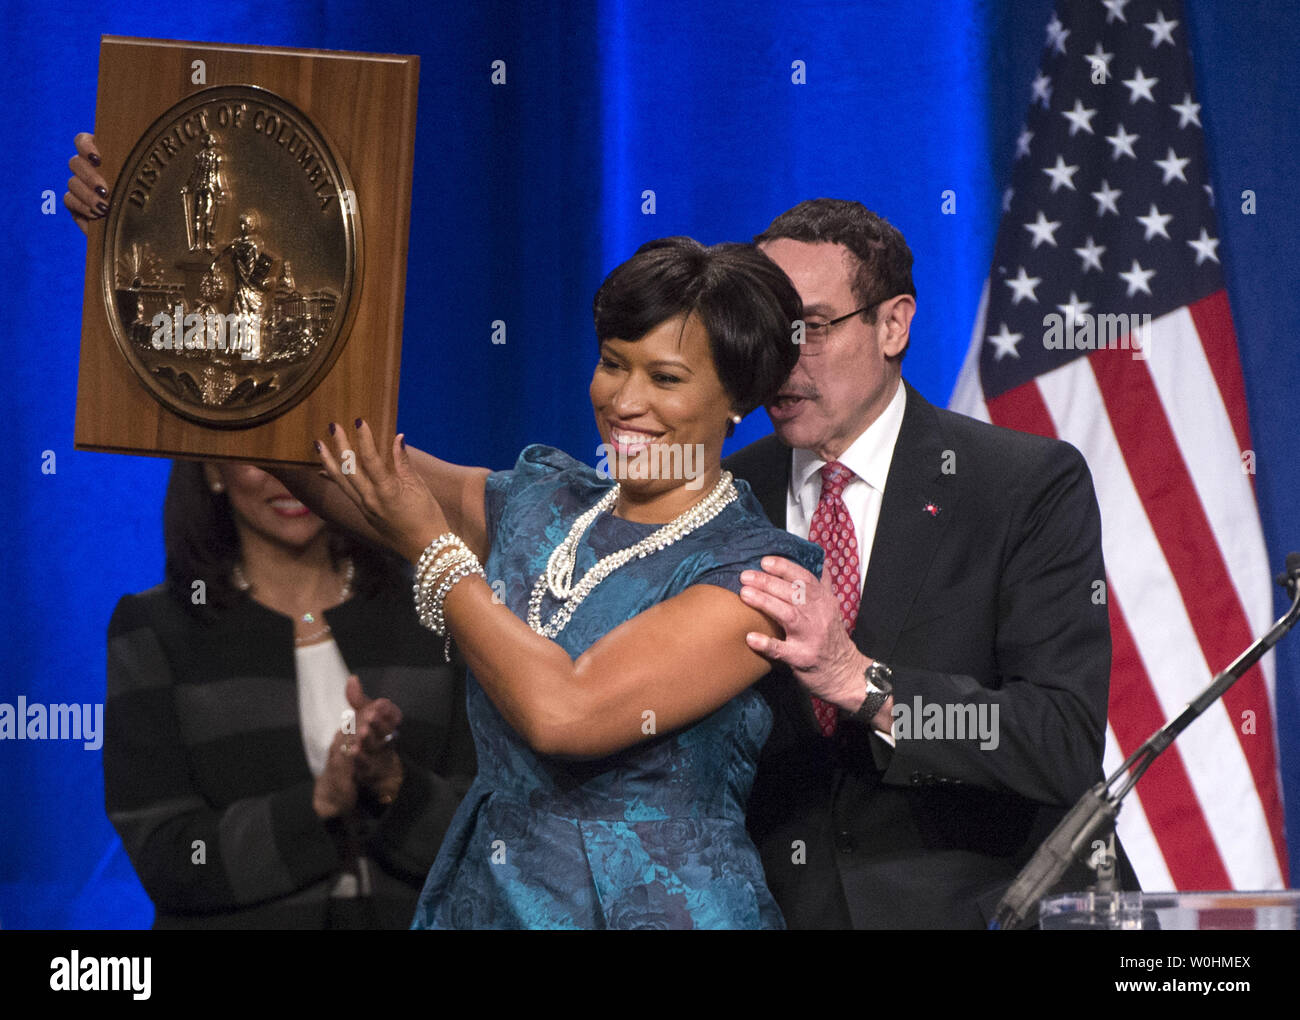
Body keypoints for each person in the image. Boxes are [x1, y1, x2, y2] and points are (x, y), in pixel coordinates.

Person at [289, 237, 823, 928]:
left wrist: (433, 548)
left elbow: (565, 713)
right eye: (611, 364)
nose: (625, 400)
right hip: (491, 900)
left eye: (664, 378)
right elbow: (313, 452)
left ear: (737, 398)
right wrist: (147, 270)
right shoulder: (539, 502)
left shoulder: (758, 572)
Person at [728, 198, 1136, 928]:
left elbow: (1061, 740)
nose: (782, 361)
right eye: (765, 333)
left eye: (812, 328)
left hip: (984, 909)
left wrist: (863, 683)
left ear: (893, 323)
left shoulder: (1022, 485)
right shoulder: (725, 498)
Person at [103, 460, 476, 928]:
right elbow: (167, 855)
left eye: (306, 453)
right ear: (215, 471)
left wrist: (393, 783)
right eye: (260, 457)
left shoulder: (436, 613)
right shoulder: (157, 629)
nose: (288, 478)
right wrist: (318, 804)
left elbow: (492, 840)